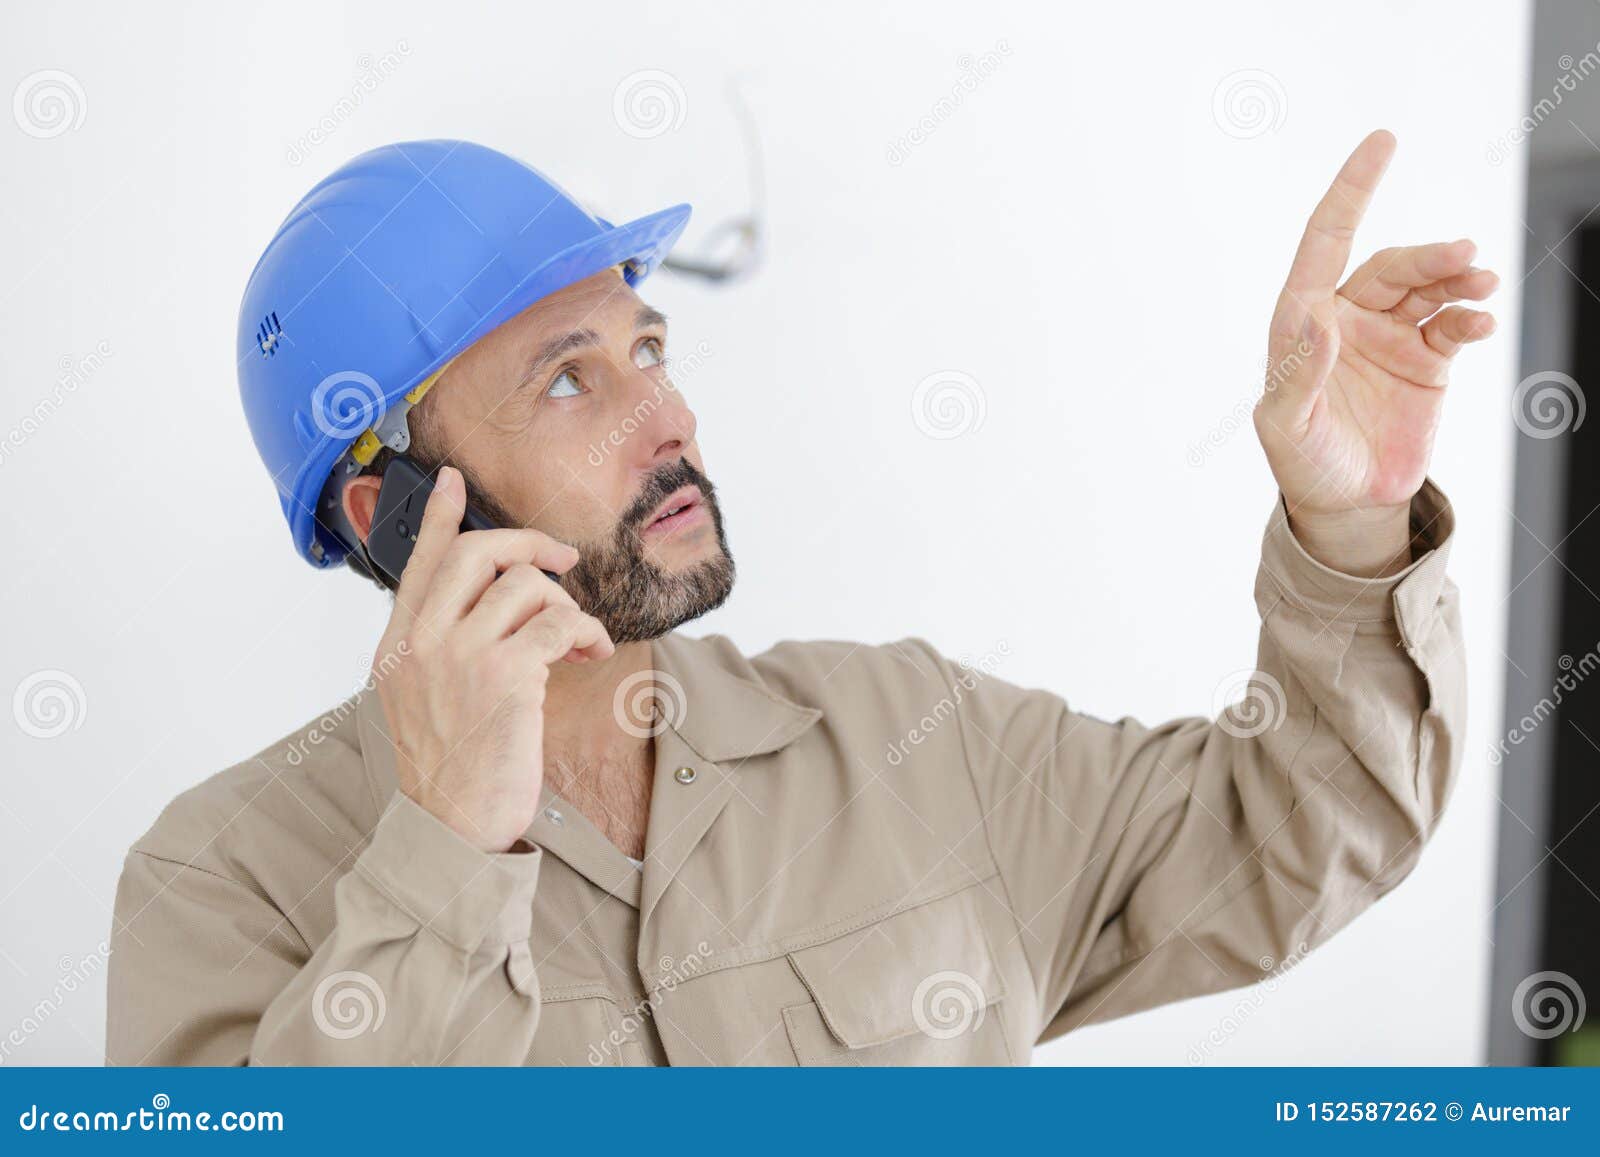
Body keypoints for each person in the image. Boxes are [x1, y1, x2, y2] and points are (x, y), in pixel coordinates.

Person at [107, 131, 1493, 1065]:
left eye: (648, 344)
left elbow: (1309, 831)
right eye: (570, 377)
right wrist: (451, 853)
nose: (672, 412)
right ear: (391, 511)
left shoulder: (915, 735)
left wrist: (1352, 515)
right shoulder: (223, 884)